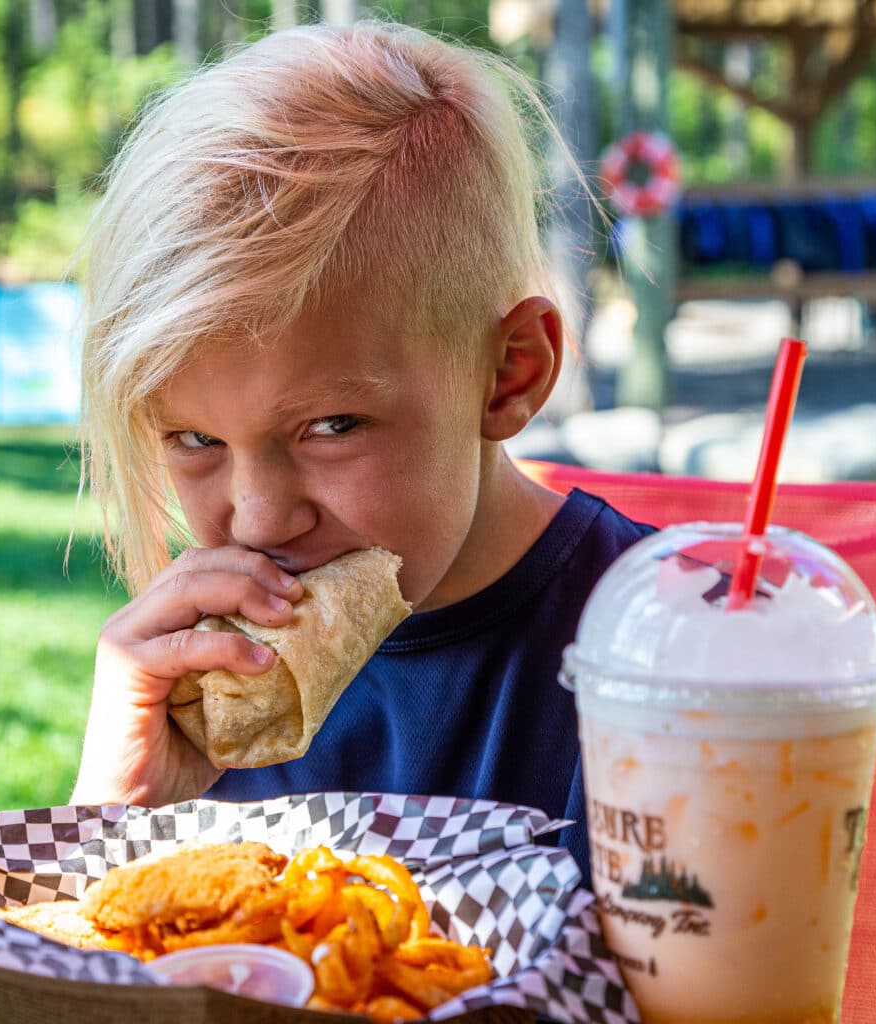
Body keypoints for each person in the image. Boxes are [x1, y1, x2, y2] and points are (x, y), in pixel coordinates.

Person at [70, 21, 652, 875]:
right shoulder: (208, 686)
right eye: (195, 439)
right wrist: (112, 821)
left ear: (509, 375)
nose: (258, 520)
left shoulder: (669, 656)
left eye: (331, 426)